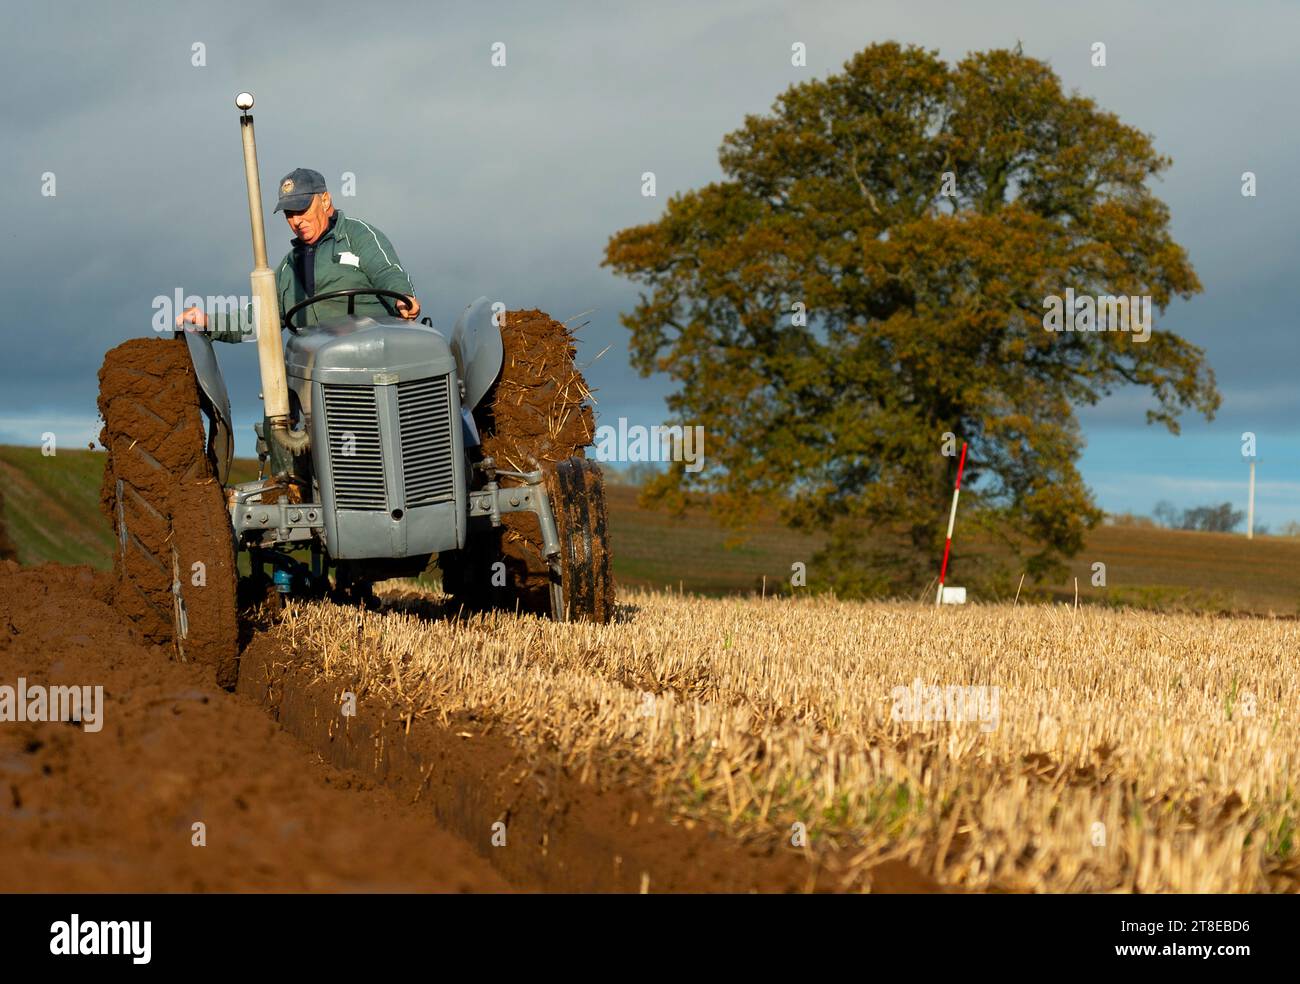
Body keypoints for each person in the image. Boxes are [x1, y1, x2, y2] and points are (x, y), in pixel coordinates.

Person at [175, 168, 420, 339]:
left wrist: (402, 298)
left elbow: (388, 272)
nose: (296, 220)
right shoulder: (288, 268)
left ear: (325, 201)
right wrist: (208, 321)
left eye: (302, 209)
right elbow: (261, 317)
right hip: (319, 366)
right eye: (289, 214)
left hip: (374, 348)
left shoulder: (358, 236)